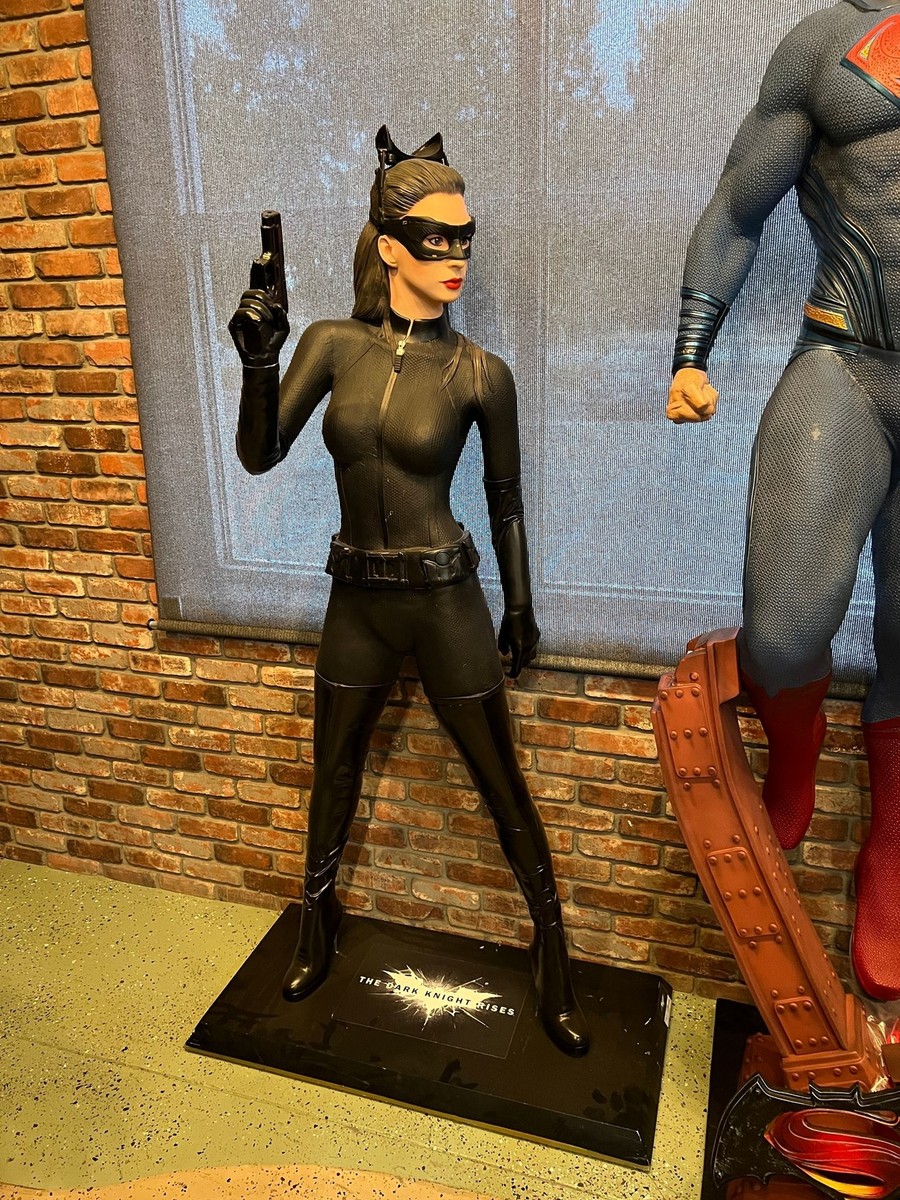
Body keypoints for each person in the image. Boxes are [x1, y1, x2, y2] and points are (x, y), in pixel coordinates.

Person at [229, 127, 589, 1054]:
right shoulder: (332, 344)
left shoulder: (481, 373)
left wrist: (519, 604)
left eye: (465, 236)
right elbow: (259, 455)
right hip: (355, 597)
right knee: (333, 775)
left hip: (444, 600)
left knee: (502, 784)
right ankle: (315, 926)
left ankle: (553, 952)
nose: (457, 254)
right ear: (390, 247)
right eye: (437, 238)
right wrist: (259, 362)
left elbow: (505, 501)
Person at [667, 0, 900, 1000]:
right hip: (846, 357)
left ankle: (893, 840)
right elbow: (737, 206)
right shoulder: (822, 44)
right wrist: (691, 352)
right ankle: (795, 749)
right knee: (783, 627)